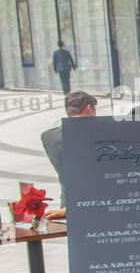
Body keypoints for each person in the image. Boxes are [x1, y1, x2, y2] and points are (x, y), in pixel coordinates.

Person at [41, 90, 98, 220]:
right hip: (100, 205)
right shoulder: (100, 134)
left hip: (67, 204)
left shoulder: (49, 137)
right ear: (89, 109)